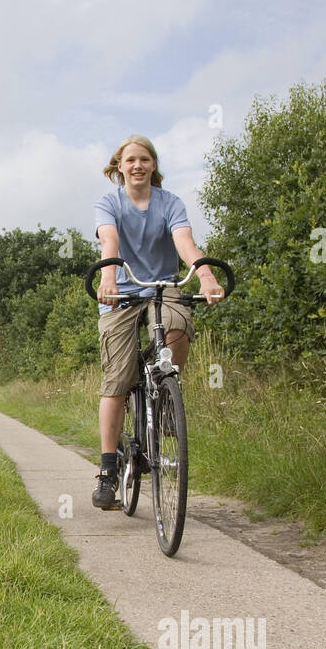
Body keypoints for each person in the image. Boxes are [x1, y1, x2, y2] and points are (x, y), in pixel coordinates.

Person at [91, 134, 224, 509]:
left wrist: (206, 277)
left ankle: (164, 391)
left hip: (162, 286)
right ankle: (108, 471)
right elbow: (110, 241)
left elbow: (185, 242)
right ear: (119, 166)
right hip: (120, 292)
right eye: (130, 160)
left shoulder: (170, 203)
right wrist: (108, 276)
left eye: (144, 159)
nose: (138, 166)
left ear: (153, 166)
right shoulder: (108, 203)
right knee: (117, 378)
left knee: (179, 322)